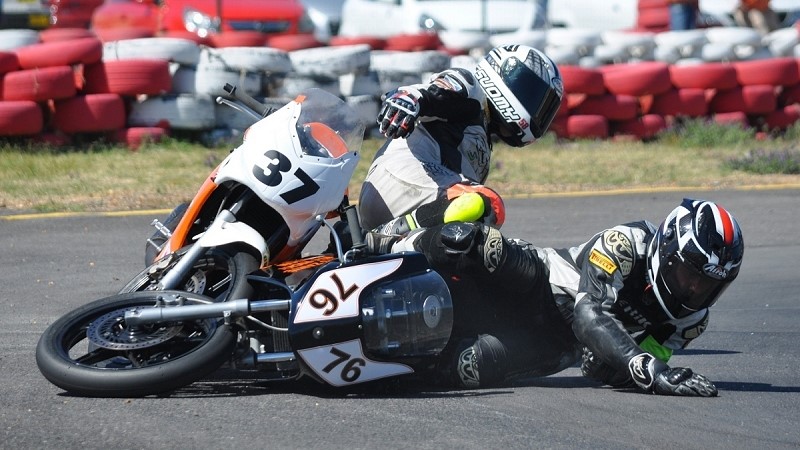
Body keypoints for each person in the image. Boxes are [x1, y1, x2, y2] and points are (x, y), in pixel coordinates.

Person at [371, 198, 744, 396]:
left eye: (709, 286)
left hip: (550, 345)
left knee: (466, 368)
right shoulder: (627, 243)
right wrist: (647, 369)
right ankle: (386, 245)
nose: (694, 291)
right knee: (474, 242)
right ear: (667, 251)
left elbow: (606, 370)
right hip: (539, 283)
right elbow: (589, 313)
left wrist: (619, 370)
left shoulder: (691, 322)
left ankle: (381, 371)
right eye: (688, 276)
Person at [358, 44, 564, 238]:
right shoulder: (471, 89)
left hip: (407, 196)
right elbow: (436, 93)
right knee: (486, 204)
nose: (537, 109)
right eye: (531, 93)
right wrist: (410, 98)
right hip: (401, 177)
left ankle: (361, 238)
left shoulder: (482, 140)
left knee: (465, 235)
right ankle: (386, 233)